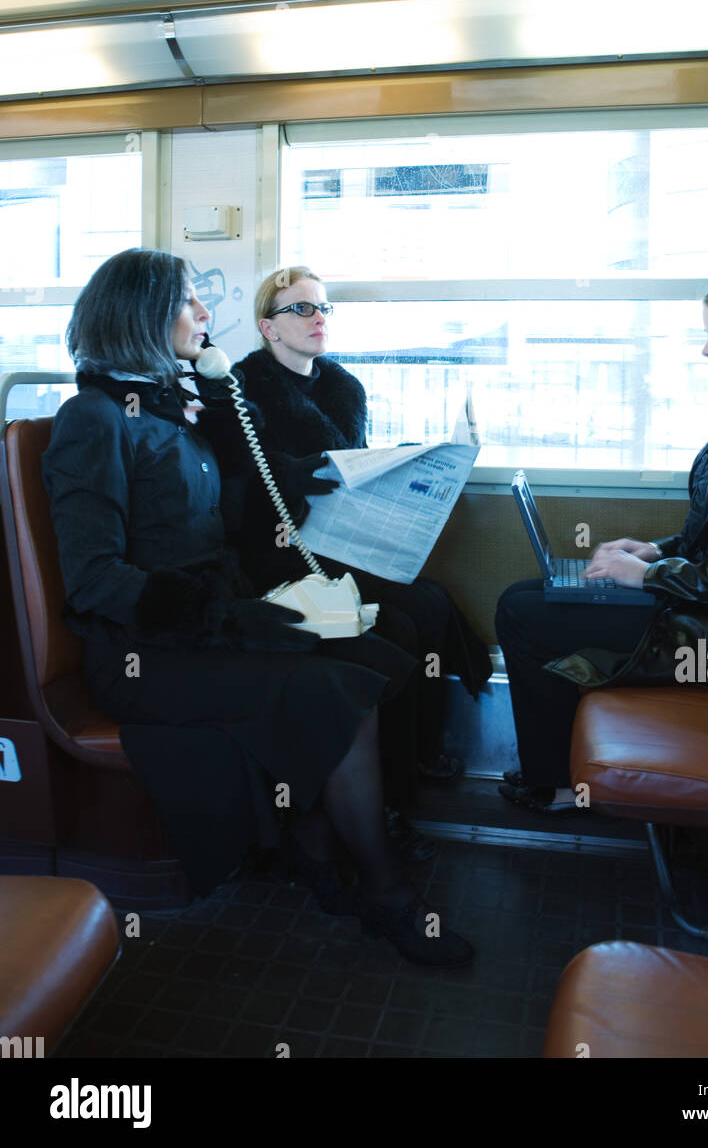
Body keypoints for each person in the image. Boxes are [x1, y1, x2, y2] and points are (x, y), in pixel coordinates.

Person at [42, 248, 473, 967]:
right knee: (341, 687)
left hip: (208, 619)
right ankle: (384, 892)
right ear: (140, 316)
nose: (206, 317)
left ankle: (313, 843)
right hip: (144, 652)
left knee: (370, 651)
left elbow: (228, 506)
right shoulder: (95, 418)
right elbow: (93, 579)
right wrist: (220, 616)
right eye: (188, 303)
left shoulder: (173, 406)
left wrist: (259, 446)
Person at [496, 264, 708, 812]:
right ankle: (552, 768)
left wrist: (650, 575)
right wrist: (655, 551)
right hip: (707, 609)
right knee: (524, 596)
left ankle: (556, 780)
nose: (706, 350)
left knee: (522, 613)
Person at [206, 266, 492, 833]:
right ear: (268, 326)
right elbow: (244, 485)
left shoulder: (343, 387)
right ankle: (390, 793)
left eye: (323, 309)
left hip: (342, 539)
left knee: (431, 601)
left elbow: (354, 469)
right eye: (301, 309)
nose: (317, 319)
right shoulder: (241, 388)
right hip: (283, 550)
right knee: (401, 626)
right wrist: (298, 474)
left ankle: (419, 755)